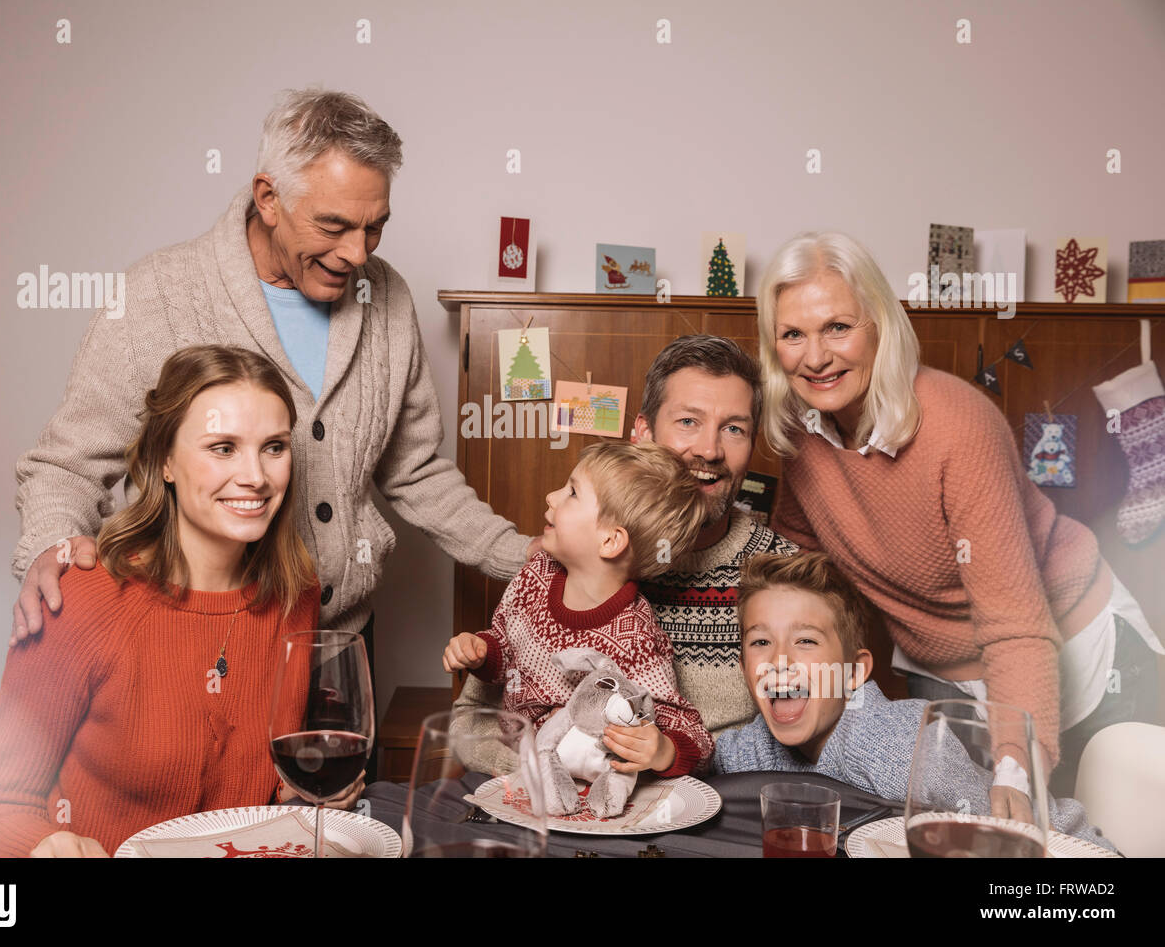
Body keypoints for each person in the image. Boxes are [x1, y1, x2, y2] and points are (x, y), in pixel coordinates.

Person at [6, 90, 539, 755]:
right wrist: (51, 548)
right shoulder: (158, 293)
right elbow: (67, 464)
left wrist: (528, 558)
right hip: (195, 640)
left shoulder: (387, 296)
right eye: (334, 226)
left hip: (341, 644)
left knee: (335, 839)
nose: (356, 252)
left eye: (375, 227)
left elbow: (417, 470)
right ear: (268, 198)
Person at [756, 230, 1162, 795]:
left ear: (881, 325)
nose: (816, 356)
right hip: (938, 671)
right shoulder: (801, 438)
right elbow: (801, 569)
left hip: (1072, 652)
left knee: (1095, 839)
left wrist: (1016, 768)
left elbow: (1014, 621)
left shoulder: (958, 425)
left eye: (838, 328)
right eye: (793, 334)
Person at [0, 346, 361, 857]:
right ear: (165, 460)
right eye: (222, 447)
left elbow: (258, 788)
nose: (255, 476)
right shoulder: (81, 599)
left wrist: (304, 796)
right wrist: (46, 846)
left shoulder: (294, 593)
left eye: (274, 447)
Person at [451, 335, 799, 740]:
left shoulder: (784, 573)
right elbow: (474, 717)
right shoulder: (569, 558)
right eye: (688, 421)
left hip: (716, 796)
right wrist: (540, 784)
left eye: (734, 428)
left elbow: (823, 724)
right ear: (643, 433)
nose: (709, 450)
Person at [712, 552, 1118, 852]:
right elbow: (708, 758)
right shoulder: (759, 741)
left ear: (853, 673)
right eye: (760, 641)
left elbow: (1032, 829)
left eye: (805, 641)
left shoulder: (890, 745)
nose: (779, 661)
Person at [443, 442, 714, 777]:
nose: (551, 497)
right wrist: (482, 651)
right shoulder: (536, 575)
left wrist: (663, 751)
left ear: (610, 541)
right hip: (515, 771)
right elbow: (506, 656)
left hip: (582, 786)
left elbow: (695, 736)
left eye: (572, 492)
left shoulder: (636, 638)